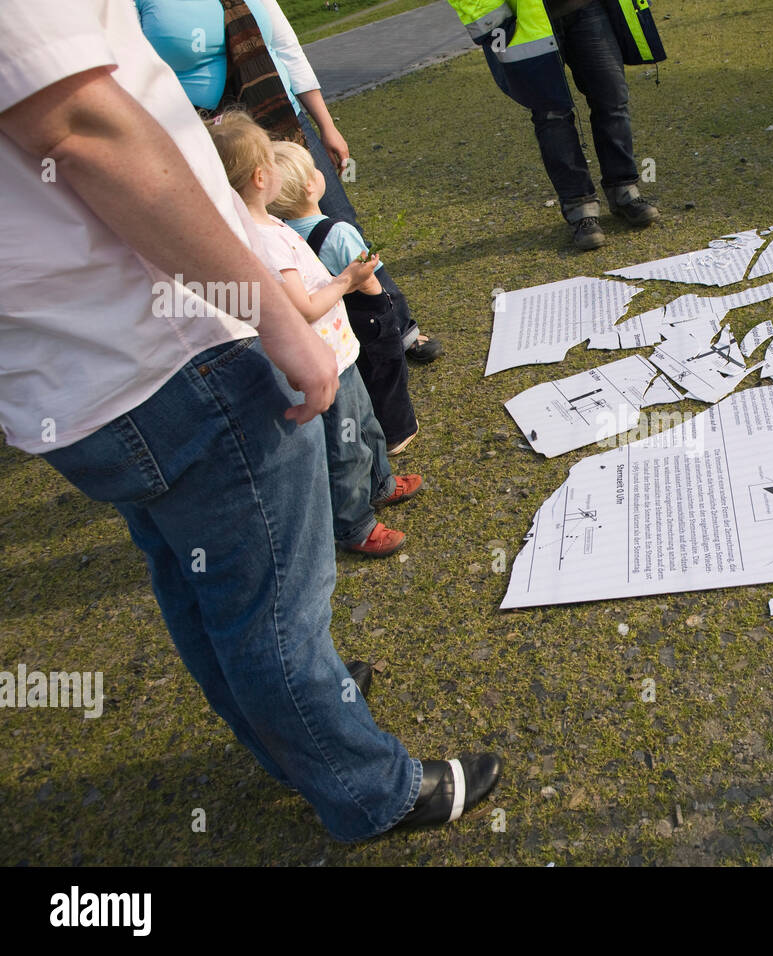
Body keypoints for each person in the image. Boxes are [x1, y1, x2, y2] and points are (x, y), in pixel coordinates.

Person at [0, 0, 500, 839]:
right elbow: (83, 125)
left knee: (205, 591)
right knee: (273, 611)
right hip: (170, 350)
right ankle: (366, 788)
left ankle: (292, 734)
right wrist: (275, 320)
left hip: (76, 378)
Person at [131, 0, 444, 363]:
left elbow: (285, 48)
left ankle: (396, 328)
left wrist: (326, 124)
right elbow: (134, 76)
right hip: (210, 142)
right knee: (253, 245)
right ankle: (300, 347)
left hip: (281, 122)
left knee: (338, 226)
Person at [207, 110, 420, 556]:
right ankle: (354, 524)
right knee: (344, 447)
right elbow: (301, 310)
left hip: (340, 351)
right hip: (320, 358)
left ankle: (380, 482)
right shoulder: (263, 240)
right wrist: (347, 279)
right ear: (262, 175)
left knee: (366, 427)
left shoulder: (266, 223)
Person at [448, 0, 668, 250]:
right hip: (524, 23)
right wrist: (493, 23)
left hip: (589, 8)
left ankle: (624, 189)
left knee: (612, 97)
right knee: (551, 115)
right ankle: (580, 209)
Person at [268, 140, 420, 456]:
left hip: (333, 318)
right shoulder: (338, 231)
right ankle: (397, 430)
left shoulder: (284, 234)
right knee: (387, 369)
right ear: (311, 185)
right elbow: (367, 271)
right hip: (368, 309)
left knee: (363, 370)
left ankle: (368, 426)